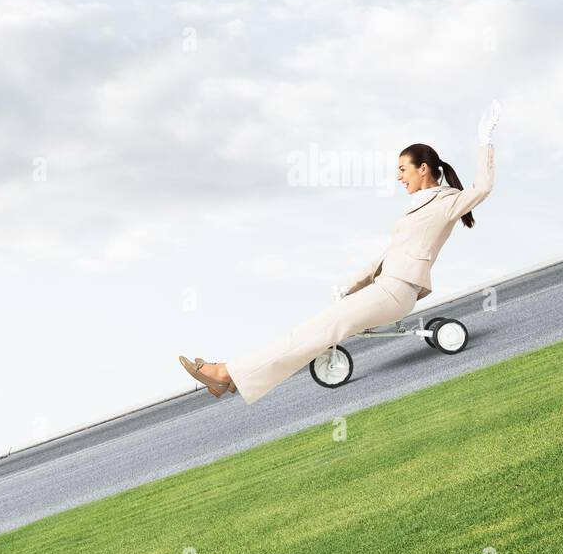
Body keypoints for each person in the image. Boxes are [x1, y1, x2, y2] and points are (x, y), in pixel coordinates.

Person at [179, 100, 501, 404]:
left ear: (424, 169)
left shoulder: (445, 203)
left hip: (397, 291)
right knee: (312, 330)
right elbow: (387, 256)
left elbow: (483, 188)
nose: (398, 176)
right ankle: (233, 378)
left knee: (320, 330)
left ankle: (226, 372)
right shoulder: (415, 209)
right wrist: (352, 284)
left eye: (403, 169)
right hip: (385, 287)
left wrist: (484, 140)